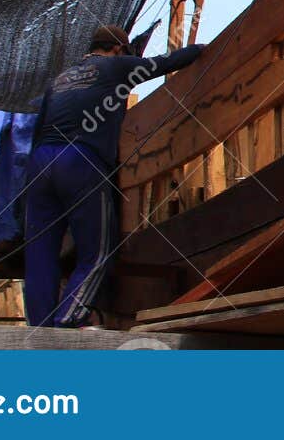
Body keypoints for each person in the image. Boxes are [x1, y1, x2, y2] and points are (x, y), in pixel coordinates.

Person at [23, 24, 204, 327]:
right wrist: (198, 50)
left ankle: (38, 330)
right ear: (119, 49)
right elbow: (164, 63)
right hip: (80, 159)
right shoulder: (114, 67)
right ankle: (64, 323)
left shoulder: (60, 80)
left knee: (41, 254)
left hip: (40, 164)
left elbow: (37, 131)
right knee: (97, 253)